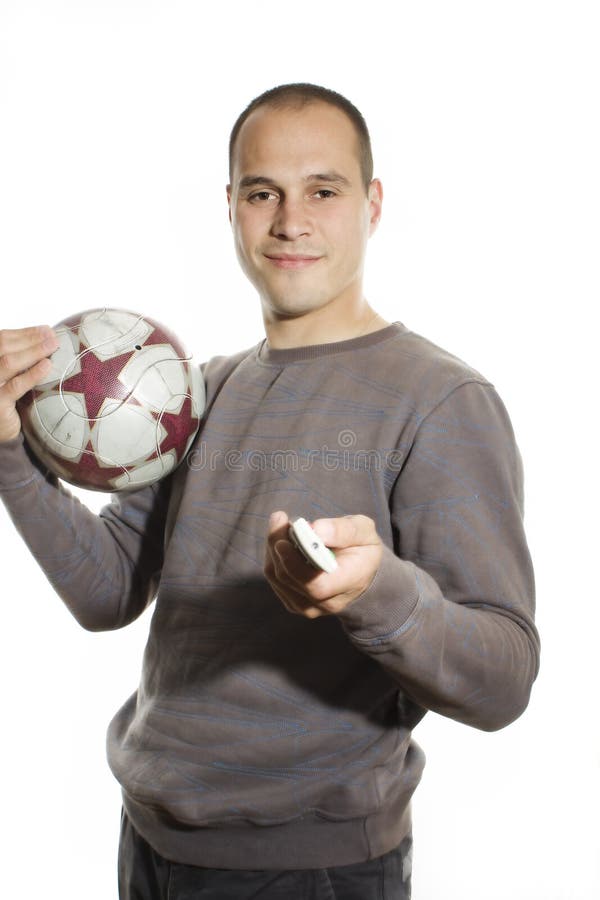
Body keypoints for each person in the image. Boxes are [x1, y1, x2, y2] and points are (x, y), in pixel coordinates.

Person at [0, 83, 540, 899]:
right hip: (150, 838)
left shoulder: (440, 398)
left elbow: (504, 679)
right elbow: (108, 590)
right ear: (230, 208)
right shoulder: (196, 391)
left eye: (324, 189)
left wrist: (375, 594)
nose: (292, 220)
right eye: (263, 193)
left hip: (310, 865)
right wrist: (9, 451)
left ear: (373, 204)